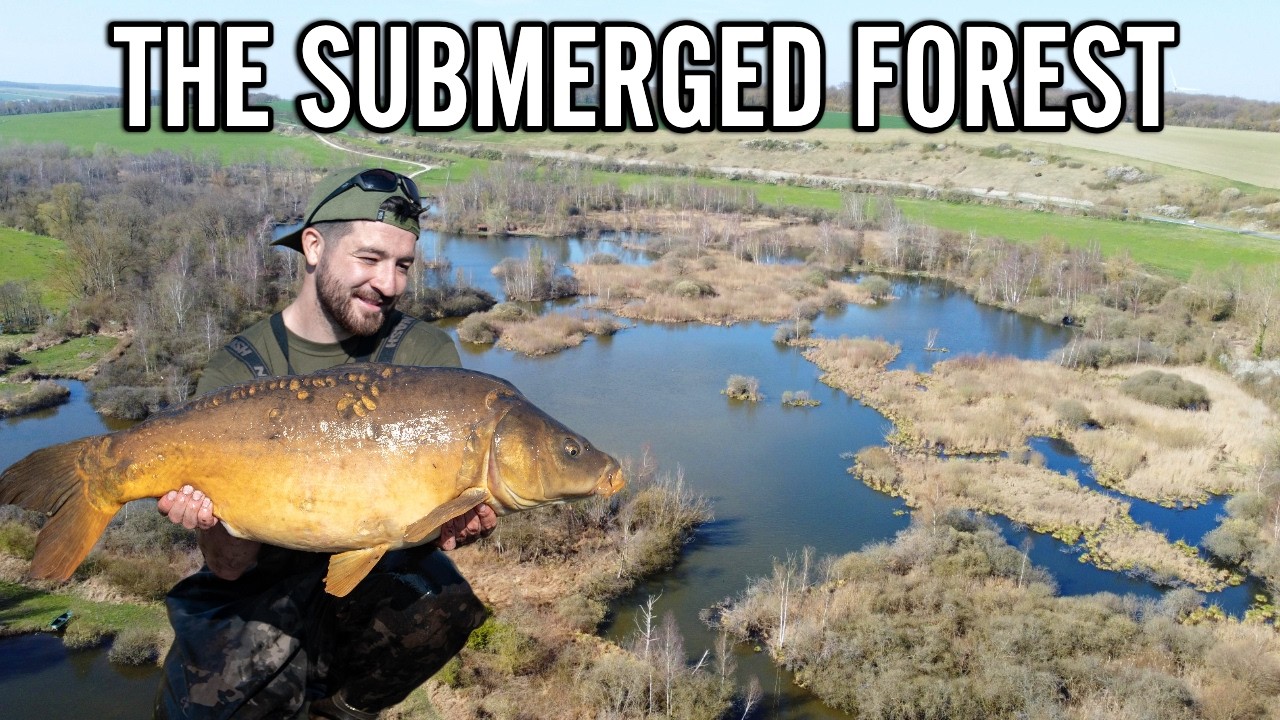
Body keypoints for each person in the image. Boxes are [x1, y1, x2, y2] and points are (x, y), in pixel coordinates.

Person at [153, 167, 497, 720]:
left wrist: (457, 521)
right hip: (261, 575)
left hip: (369, 570)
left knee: (444, 605)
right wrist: (208, 520)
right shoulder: (239, 371)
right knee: (209, 704)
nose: (389, 284)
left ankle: (341, 712)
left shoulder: (426, 356)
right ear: (313, 246)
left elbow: (429, 524)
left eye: (403, 265)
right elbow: (227, 565)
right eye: (369, 259)